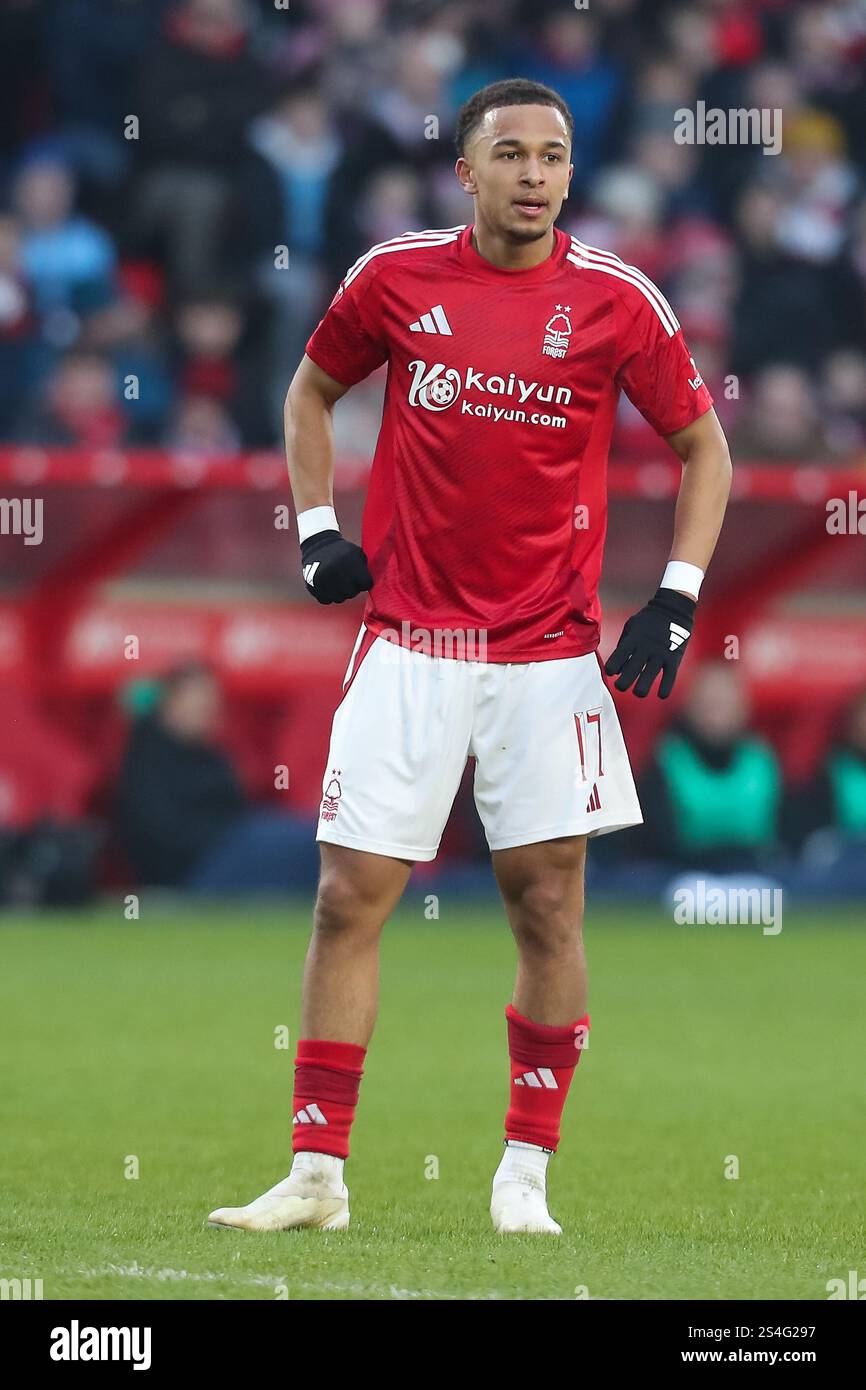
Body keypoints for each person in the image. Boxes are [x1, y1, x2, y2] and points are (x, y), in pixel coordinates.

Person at [209, 78, 732, 1237]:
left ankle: (524, 1174)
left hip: (548, 654)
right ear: (467, 172)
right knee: (348, 897)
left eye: (553, 155)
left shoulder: (613, 300)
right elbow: (308, 390)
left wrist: (676, 599)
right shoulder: (395, 276)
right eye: (511, 154)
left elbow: (703, 447)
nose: (536, 174)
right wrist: (313, 532)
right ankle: (315, 1175)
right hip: (408, 641)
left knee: (547, 906)